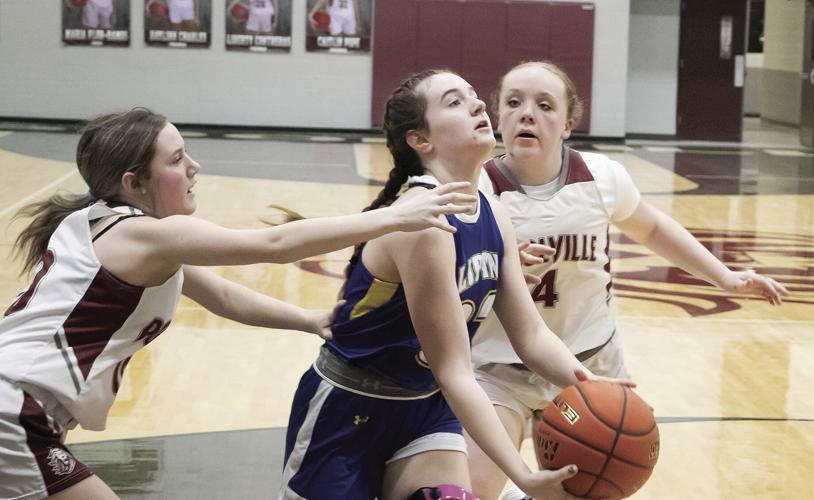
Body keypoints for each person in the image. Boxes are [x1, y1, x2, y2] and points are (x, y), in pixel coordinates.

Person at [0, 107, 479, 500]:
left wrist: (310, 319)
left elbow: (224, 296)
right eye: (176, 160)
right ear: (134, 182)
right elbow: (274, 245)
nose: (194, 168)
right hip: (14, 410)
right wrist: (394, 217)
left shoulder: (104, 226)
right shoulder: (146, 234)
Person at [279, 70, 633, 500]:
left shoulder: (492, 211)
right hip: (351, 406)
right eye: (454, 102)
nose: (479, 105)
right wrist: (522, 475)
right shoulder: (423, 222)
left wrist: (589, 384)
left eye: (473, 95)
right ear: (420, 140)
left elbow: (533, 335)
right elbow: (455, 370)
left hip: (425, 408)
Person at [466, 60, 790, 500]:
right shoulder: (476, 189)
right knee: (475, 489)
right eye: (514, 102)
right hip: (498, 369)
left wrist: (724, 277)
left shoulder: (601, 178)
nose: (528, 113)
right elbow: (448, 281)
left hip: (590, 368)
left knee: (590, 490)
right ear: (498, 116)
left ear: (567, 124)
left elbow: (653, 228)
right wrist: (498, 269)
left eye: (545, 105)